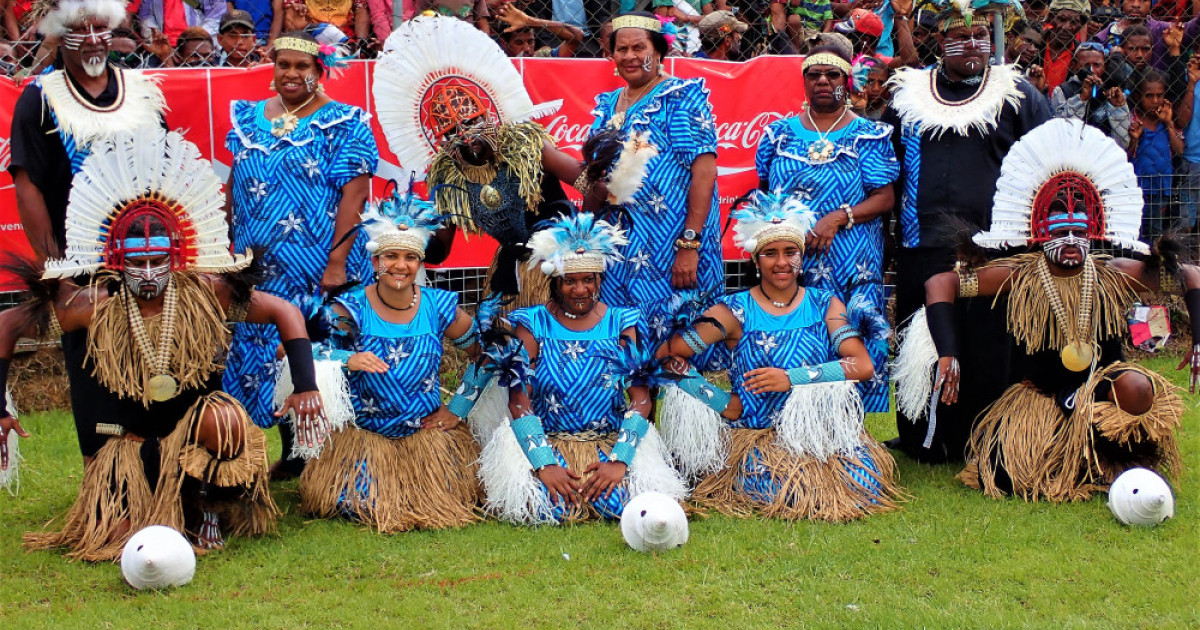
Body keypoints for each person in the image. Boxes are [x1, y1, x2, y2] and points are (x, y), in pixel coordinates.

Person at [1, 129, 325, 560]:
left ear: (177, 257)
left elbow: (286, 311)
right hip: (125, 437)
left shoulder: (207, 292)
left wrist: (305, 384)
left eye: (159, 262)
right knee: (119, 535)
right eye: (137, 263)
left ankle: (206, 502)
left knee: (224, 420)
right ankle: (138, 500)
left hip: (190, 431)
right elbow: (6, 325)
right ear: (116, 261)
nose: (150, 274)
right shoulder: (91, 306)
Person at [911, 119, 1186, 502]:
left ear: (1095, 232)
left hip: (1100, 388)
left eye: (1080, 233)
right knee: (1008, 475)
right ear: (1040, 236)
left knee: (1137, 387)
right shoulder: (1018, 275)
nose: (1072, 242)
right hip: (1038, 394)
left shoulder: (1115, 274)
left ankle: (1114, 457)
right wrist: (948, 352)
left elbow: (1187, 275)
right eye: (1060, 234)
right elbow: (941, 282)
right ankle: (1057, 457)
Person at [656, 191, 901, 521]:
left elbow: (863, 365)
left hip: (819, 437)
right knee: (783, 488)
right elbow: (669, 354)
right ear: (756, 261)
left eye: (790, 252)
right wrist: (720, 401)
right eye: (770, 253)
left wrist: (790, 379)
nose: (781, 262)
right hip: (761, 440)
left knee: (862, 482)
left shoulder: (825, 303)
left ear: (801, 257)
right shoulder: (734, 311)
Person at [882, 0, 1051, 463]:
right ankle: (923, 438)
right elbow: (885, 167)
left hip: (994, 247)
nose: (973, 45)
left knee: (988, 342)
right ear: (940, 42)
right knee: (921, 343)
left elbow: (1047, 159)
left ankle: (986, 438)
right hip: (922, 242)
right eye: (959, 37)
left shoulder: (1016, 94)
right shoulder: (909, 95)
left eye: (981, 37)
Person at [8, 0, 167, 466]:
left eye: (102, 27)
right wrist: (56, 272)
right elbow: (29, 187)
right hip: (83, 265)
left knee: (160, 366)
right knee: (97, 376)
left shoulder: (140, 90)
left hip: (149, 257)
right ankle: (109, 481)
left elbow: (168, 168)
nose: (94, 39)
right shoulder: (41, 98)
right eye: (81, 29)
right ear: (58, 33)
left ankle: (165, 475)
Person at [224, 31, 377, 477]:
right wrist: (225, 241)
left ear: (319, 71)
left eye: (301, 67)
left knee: (322, 346)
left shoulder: (345, 122)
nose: (290, 74)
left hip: (317, 259)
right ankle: (285, 453)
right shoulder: (247, 118)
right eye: (283, 64)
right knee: (259, 352)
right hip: (255, 263)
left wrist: (336, 263)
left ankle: (329, 457)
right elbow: (236, 184)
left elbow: (355, 194)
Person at [478, 213, 686, 525]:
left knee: (626, 506)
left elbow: (640, 399)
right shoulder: (533, 324)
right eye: (570, 281)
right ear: (554, 282)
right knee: (544, 508)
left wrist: (619, 460)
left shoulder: (621, 322)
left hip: (608, 445)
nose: (580, 290)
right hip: (550, 444)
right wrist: (544, 464)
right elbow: (520, 399)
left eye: (588, 280)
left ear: (599, 280)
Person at [298, 190, 483, 532]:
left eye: (410, 257)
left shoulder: (438, 306)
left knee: (441, 497)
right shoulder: (350, 308)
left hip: (425, 437)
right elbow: (294, 350)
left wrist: (457, 408)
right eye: (391, 257)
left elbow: (487, 356)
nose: (400, 266)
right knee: (355, 503)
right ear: (374, 262)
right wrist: (346, 358)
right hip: (366, 438)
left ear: (420, 262)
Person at [754, 45, 898, 413]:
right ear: (803, 81)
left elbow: (884, 198)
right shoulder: (778, 135)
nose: (822, 81)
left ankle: (853, 427)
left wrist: (838, 216)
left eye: (832, 75)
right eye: (814, 74)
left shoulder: (869, 134)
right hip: (795, 262)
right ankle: (797, 417)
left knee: (853, 333)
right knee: (801, 334)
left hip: (853, 260)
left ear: (846, 81)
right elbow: (768, 194)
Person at [590, 12, 724, 356]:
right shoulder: (607, 105)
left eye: (639, 47)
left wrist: (689, 245)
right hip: (620, 242)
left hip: (671, 243)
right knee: (624, 342)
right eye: (622, 48)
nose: (630, 56)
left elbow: (704, 171)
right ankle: (636, 409)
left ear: (659, 51)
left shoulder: (680, 97)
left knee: (676, 346)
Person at [1127, 69, 1181, 239]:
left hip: (1162, 186)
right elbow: (1126, 156)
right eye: (1149, 96)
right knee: (1139, 230)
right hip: (1139, 186)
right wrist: (1134, 139)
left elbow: (1179, 150)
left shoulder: (1165, 123)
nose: (1155, 101)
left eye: (1159, 95)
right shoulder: (1133, 121)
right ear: (1138, 97)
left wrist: (1169, 123)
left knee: (1157, 230)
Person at [1051, 43, 1132, 149]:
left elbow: (1123, 141)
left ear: (1105, 66)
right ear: (1074, 66)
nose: (1092, 70)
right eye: (1085, 65)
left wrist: (1118, 108)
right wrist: (1081, 99)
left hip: (1103, 151)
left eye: (1097, 65)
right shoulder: (1062, 91)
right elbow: (1063, 134)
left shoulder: (1113, 92)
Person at [494, 3, 583, 58]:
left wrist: (529, 21)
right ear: (504, 43)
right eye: (519, 43)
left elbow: (577, 35)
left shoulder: (541, 57)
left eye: (530, 42)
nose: (527, 49)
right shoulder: (498, 63)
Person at [1041, 0, 1087, 95]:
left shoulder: (1080, 55)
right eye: (1062, 19)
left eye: (1074, 22)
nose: (1066, 27)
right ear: (1052, 18)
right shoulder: (1035, 45)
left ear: (1081, 25)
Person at [850, 55, 891, 119]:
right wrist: (859, 110)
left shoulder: (891, 109)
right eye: (869, 82)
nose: (876, 88)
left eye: (882, 83)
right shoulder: (845, 108)